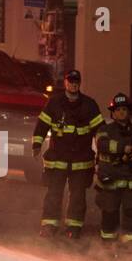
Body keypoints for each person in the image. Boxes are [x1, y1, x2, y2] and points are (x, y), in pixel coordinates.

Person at [31, 68, 103, 238]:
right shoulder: (54, 103)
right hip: (58, 159)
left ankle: (74, 227)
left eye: (76, 81)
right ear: (65, 82)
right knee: (54, 192)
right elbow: (42, 125)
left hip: (81, 159)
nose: (73, 84)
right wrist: (37, 144)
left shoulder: (89, 105)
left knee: (78, 195)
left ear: (80, 83)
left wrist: (102, 152)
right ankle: (49, 225)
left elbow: (100, 132)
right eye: (70, 81)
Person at [94, 92, 132, 253]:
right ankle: (107, 247)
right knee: (109, 213)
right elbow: (102, 145)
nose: (121, 112)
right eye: (118, 110)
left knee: (131, 213)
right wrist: (123, 148)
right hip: (110, 181)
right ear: (112, 113)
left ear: (129, 112)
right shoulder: (104, 130)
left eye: (124, 109)